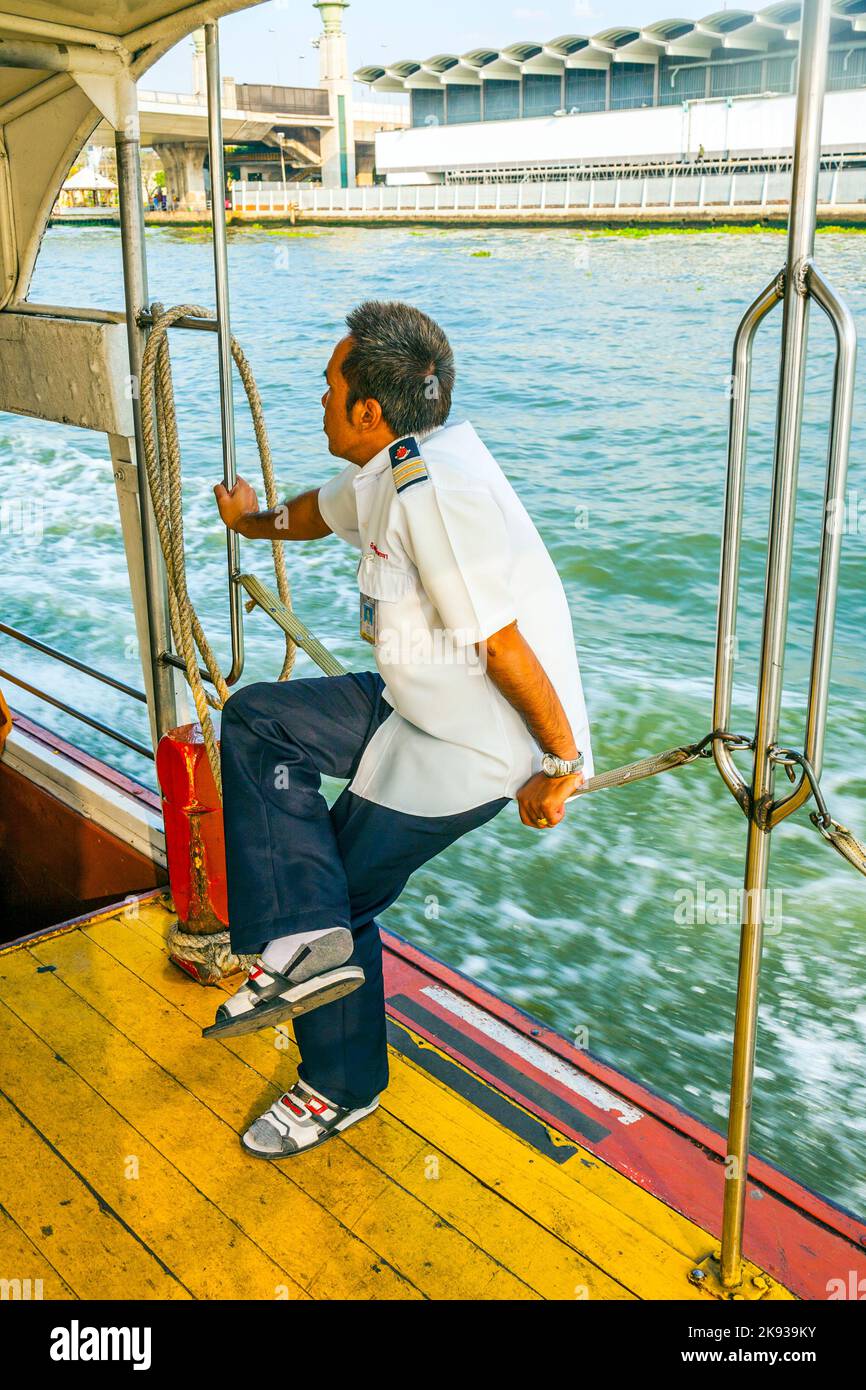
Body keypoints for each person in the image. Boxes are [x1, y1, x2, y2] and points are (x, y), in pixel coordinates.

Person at [211, 299, 593, 1159]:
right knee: (258, 722)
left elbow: (501, 645)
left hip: (479, 743)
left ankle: (339, 1089)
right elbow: (319, 510)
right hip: (418, 701)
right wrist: (250, 522)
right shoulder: (391, 463)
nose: (317, 400)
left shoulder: (435, 493)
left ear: (368, 411)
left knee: (340, 896)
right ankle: (306, 938)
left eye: (326, 387)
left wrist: (559, 762)